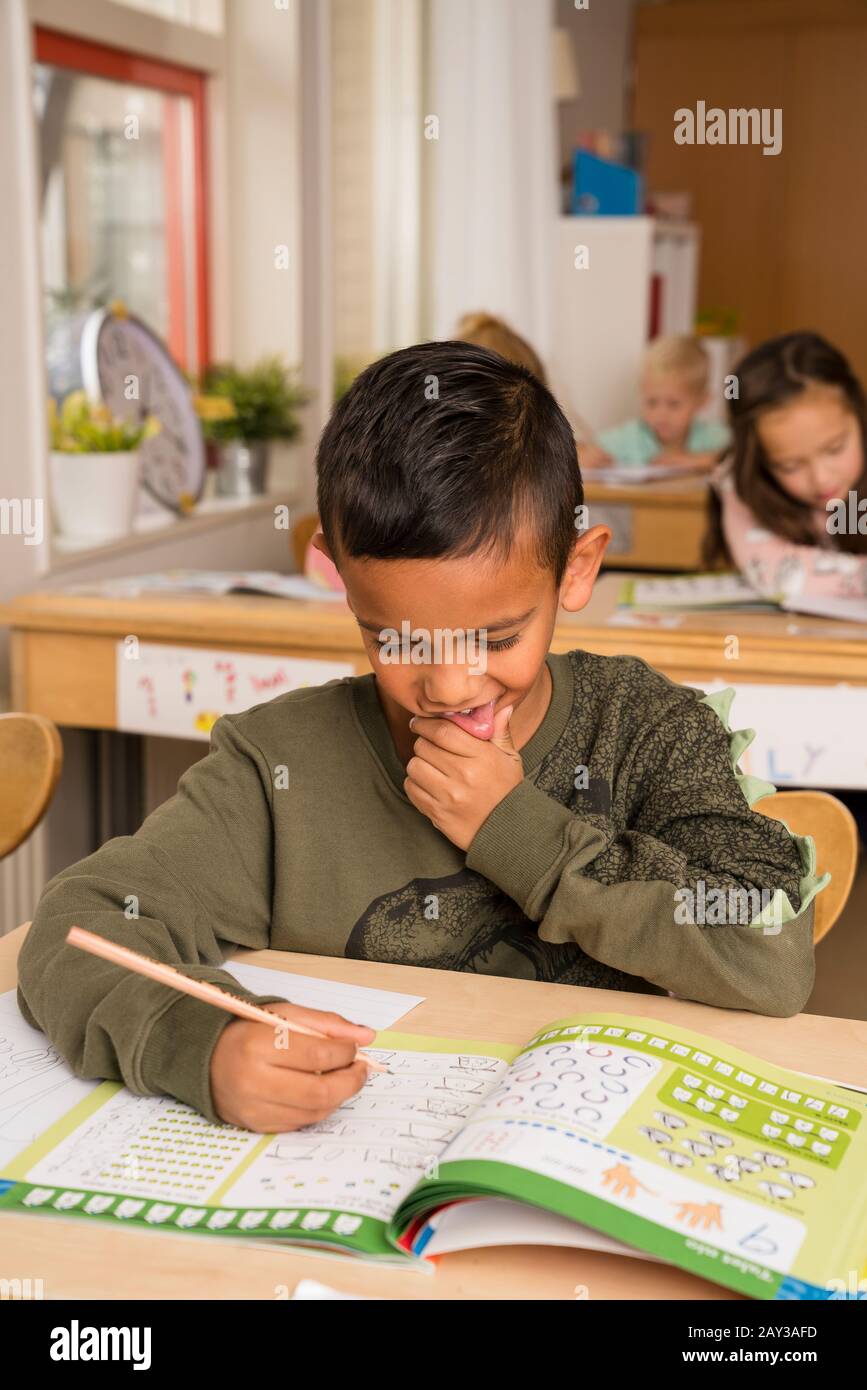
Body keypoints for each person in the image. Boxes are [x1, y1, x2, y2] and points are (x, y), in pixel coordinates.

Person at [19, 341, 818, 1135]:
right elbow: (82, 928)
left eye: (497, 637)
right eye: (397, 641)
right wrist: (205, 1043)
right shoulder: (280, 764)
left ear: (575, 572)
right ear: (338, 574)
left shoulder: (644, 728)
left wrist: (525, 838)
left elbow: (769, 945)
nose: (450, 686)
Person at [703, 331, 867, 599]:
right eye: (789, 465)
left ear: (860, 418)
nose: (821, 479)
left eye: (835, 449)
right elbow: (775, 573)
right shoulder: (742, 481)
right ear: (758, 461)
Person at [592, 335, 731, 471]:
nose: (660, 414)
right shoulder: (630, 437)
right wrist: (590, 456)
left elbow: (737, 457)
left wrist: (697, 460)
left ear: (702, 402)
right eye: (651, 402)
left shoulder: (714, 437)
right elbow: (588, 451)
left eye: (673, 404)